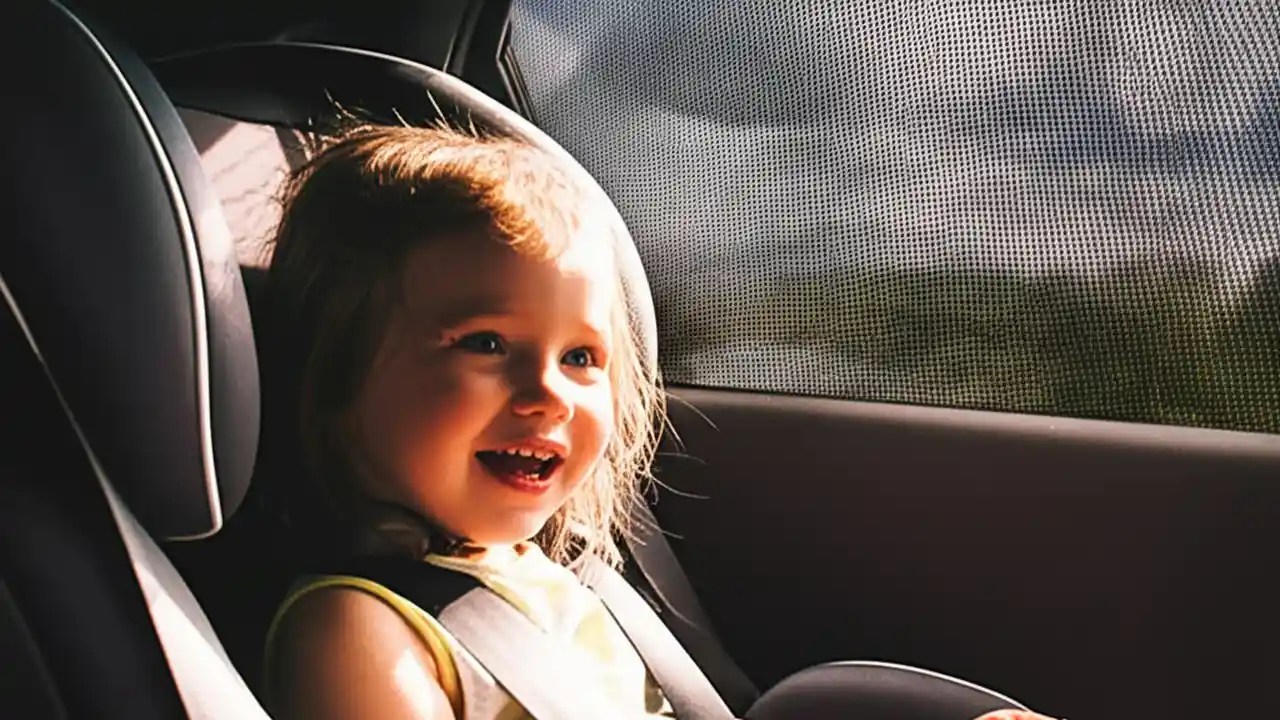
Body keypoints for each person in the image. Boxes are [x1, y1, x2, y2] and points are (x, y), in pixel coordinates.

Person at [258, 123, 1057, 720]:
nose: (548, 393)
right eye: (486, 343)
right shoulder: (353, 629)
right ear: (335, 377)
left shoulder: (548, 577)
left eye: (581, 356)